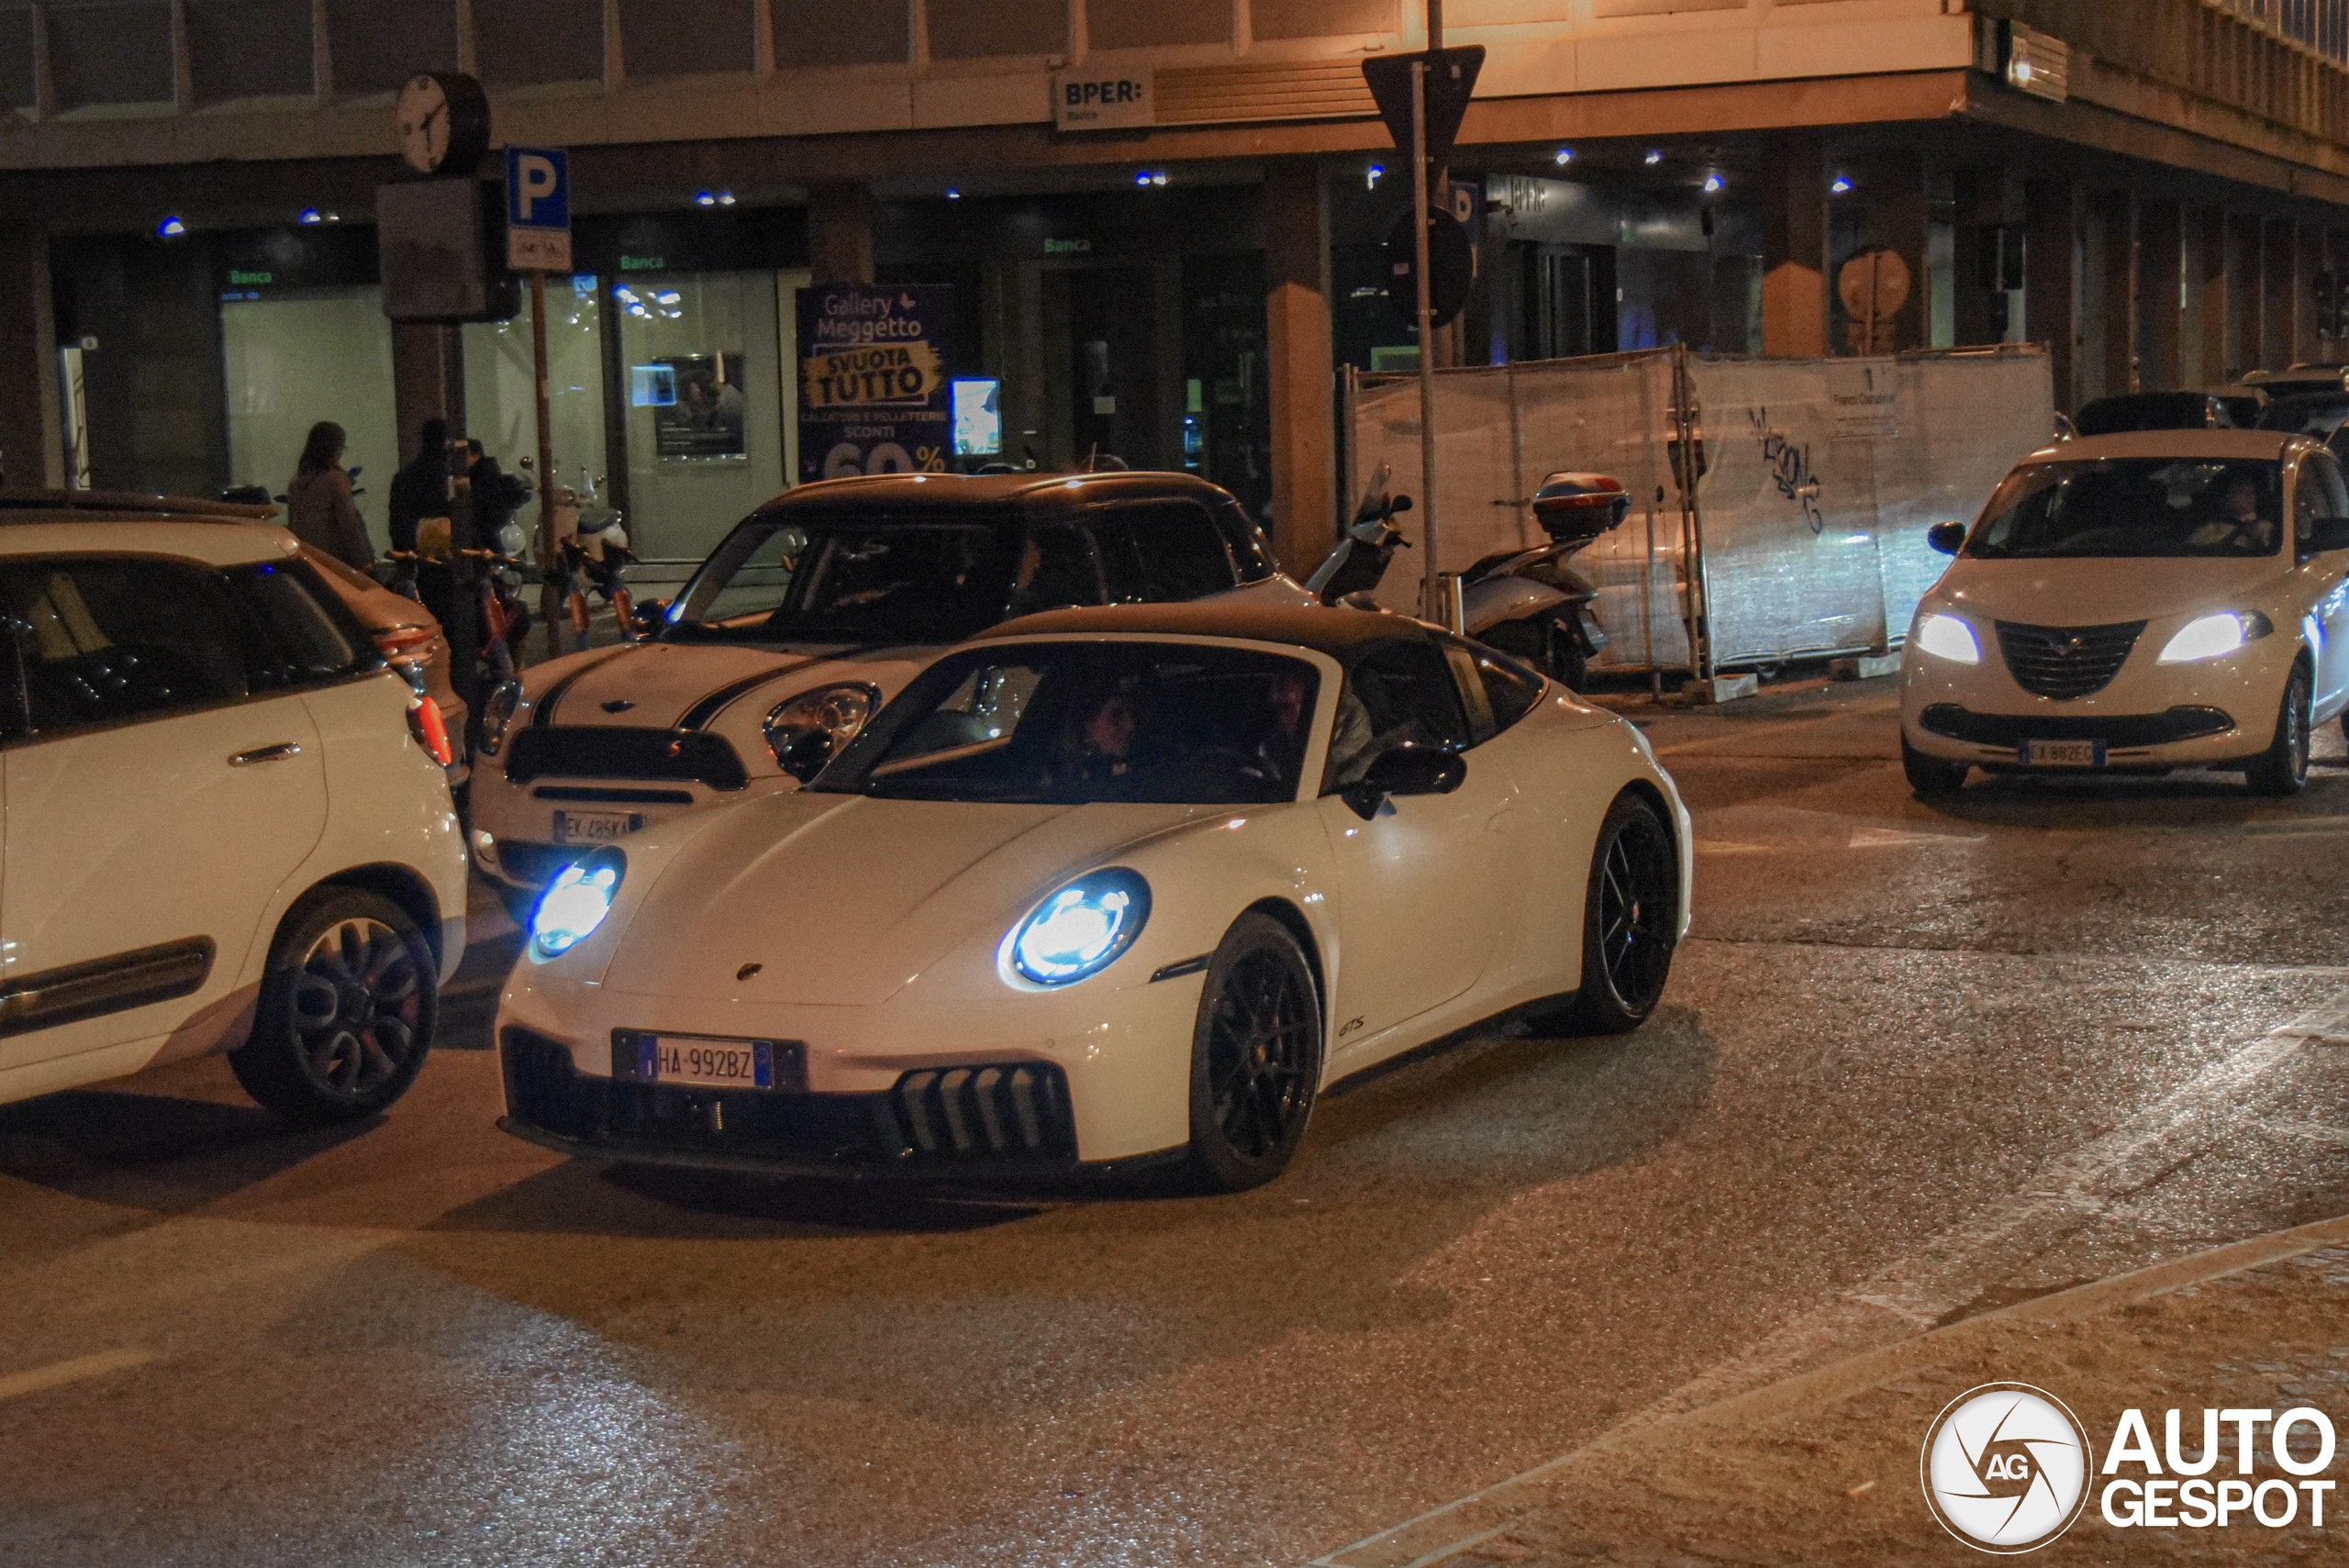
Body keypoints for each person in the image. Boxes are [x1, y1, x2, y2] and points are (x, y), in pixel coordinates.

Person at [283, 422, 373, 573]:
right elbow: (349, 526)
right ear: (334, 449)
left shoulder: (298, 481)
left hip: (308, 562)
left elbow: (293, 525)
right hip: (336, 564)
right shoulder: (336, 481)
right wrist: (364, 564)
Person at [387, 417, 449, 558]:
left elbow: (397, 520)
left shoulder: (404, 474)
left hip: (408, 549)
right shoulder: (442, 473)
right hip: (437, 550)